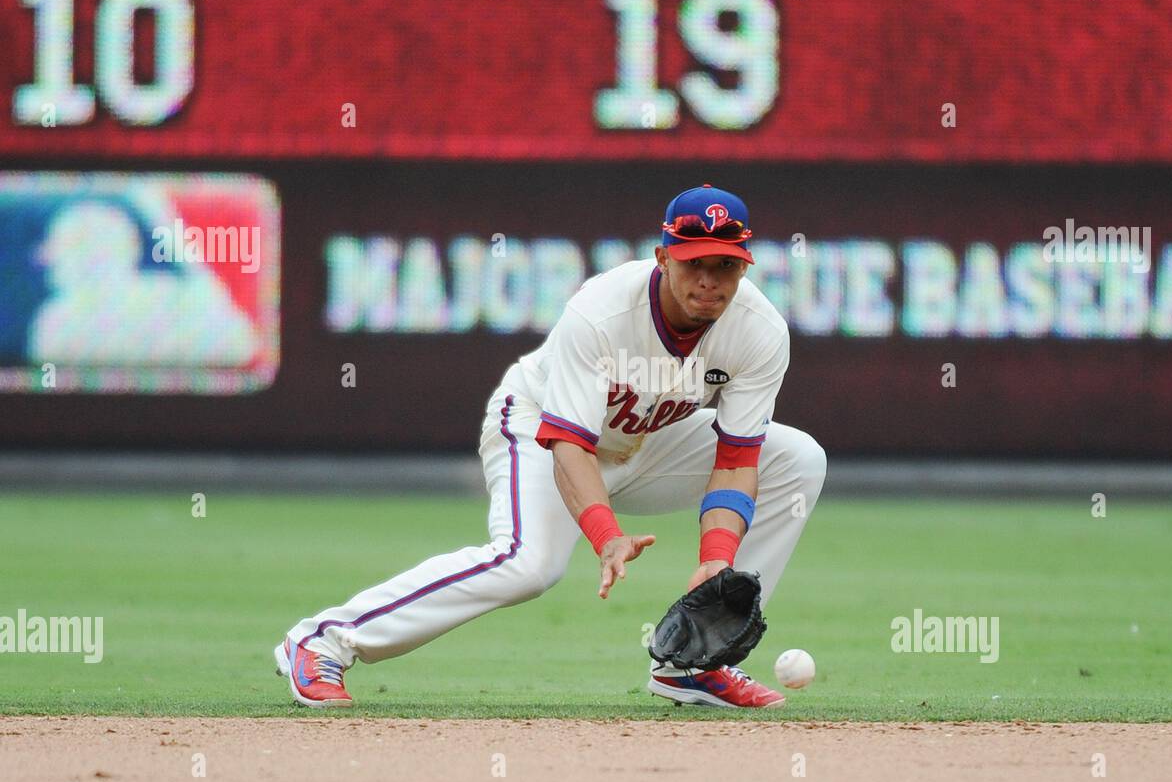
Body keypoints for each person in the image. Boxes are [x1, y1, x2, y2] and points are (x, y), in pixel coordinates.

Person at [274, 184, 826, 709]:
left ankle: (698, 661)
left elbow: (734, 460)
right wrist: (606, 535)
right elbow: (569, 445)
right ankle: (325, 641)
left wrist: (716, 561)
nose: (709, 279)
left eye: (724, 264)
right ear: (663, 258)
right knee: (530, 565)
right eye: (694, 262)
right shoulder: (603, 311)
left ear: (744, 265)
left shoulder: (759, 331)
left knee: (797, 459)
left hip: (650, 439)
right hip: (542, 431)